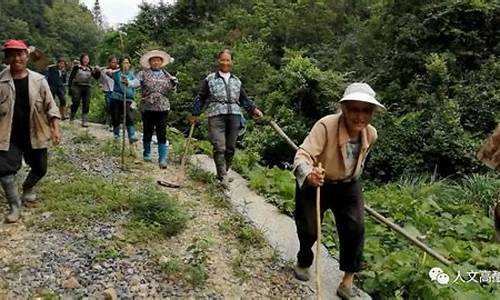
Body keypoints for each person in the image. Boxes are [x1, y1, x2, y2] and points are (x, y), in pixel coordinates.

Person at [292, 83, 384, 299]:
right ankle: (304, 257)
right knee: (309, 229)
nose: (360, 116)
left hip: (348, 184)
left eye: (366, 110)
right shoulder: (326, 125)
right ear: (344, 109)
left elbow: (360, 159)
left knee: (356, 227)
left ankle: (347, 279)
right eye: (354, 109)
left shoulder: (371, 134)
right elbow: (302, 154)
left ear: (371, 113)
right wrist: (309, 174)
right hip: (318, 181)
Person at [0, 40, 61, 223]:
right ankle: (15, 205)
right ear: (7, 58)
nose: (16, 58)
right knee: (4, 169)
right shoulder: (1, 81)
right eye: (12, 54)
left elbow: (51, 106)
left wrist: (55, 128)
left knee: (40, 168)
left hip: (35, 130)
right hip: (8, 133)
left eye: (20, 54)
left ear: (27, 56)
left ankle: (27, 187)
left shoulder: (38, 80)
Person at [190, 49, 263, 188]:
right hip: (216, 114)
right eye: (222, 59)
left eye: (228, 60)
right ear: (218, 61)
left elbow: (243, 99)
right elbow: (201, 97)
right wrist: (195, 113)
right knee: (219, 146)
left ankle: (223, 173)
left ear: (232, 62)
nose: (225, 62)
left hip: (234, 114)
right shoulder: (210, 79)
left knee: (230, 148)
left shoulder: (236, 81)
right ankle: (223, 177)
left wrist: (253, 110)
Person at [136, 49, 177, 168]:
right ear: (150, 62)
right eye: (153, 60)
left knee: (162, 132)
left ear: (161, 62)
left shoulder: (167, 75)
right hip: (147, 106)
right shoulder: (143, 73)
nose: (156, 62)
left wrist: (174, 84)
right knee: (147, 130)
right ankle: (147, 153)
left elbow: (172, 90)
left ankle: (162, 158)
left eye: (158, 60)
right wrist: (128, 82)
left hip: (162, 107)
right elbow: (135, 82)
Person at [107, 56, 139, 144]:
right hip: (116, 98)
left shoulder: (132, 75)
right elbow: (108, 72)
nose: (126, 64)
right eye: (124, 62)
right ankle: (116, 136)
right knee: (116, 118)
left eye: (128, 63)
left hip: (128, 99)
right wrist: (113, 71)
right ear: (120, 64)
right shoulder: (117, 73)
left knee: (129, 116)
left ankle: (131, 135)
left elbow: (135, 85)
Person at [68, 53, 99, 127]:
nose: (86, 60)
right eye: (84, 59)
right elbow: (71, 78)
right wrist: (70, 88)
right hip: (77, 86)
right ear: (81, 59)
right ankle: (72, 116)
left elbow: (96, 77)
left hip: (87, 86)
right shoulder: (77, 67)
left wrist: (97, 71)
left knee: (86, 103)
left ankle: (84, 120)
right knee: (76, 101)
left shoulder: (90, 68)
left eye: (87, 59)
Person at [97, 55, 119, 131]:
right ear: (109, 63)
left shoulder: (119, 70)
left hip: (117, 91)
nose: (114, 64)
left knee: (116, 108)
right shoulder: (104, 71)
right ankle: (108, 123)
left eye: (115, 62)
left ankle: (114, 124)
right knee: (109, 107)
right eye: (113, 62)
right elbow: (100, 79)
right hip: (108, 91)